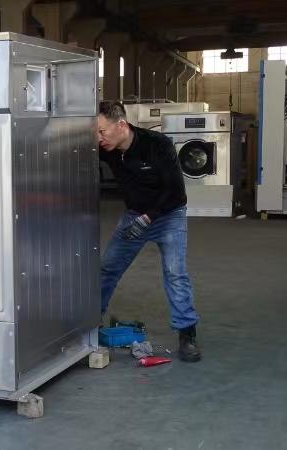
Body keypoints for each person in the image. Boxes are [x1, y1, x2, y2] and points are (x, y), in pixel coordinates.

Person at [97, 101, 201, 362]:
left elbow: (176, 191)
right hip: (134, 216)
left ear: (121, 125)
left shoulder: (157, 145)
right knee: (108, 267)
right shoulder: (108, 149)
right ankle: (89, 322)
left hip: (169, 215)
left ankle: (187, 334)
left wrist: (148, 218)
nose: (98, 139)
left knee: (175, 273)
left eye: (102, 131)